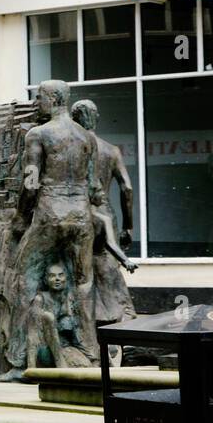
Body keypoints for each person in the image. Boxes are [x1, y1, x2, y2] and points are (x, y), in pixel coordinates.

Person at [1, 80, 101, 378]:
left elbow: (30, 183)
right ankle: (90, 352)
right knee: (84, 282)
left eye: (41, 97)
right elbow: (94, 187)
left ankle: (18, 361)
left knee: (23, 279)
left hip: (50, 214)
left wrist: (20, 218)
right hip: (81, 215)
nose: (37, 102)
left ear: (55, 98)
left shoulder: (38, 134)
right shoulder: (87, 136)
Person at [70, 99, 137, 356]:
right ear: (95, 118)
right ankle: (115, 324)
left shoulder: (74, 148)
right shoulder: (110, 150)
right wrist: (129, 226)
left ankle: (93, 330)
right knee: (108, 272)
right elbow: (127, 188)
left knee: (84, 272)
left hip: (80, 213)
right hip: (105, 213)